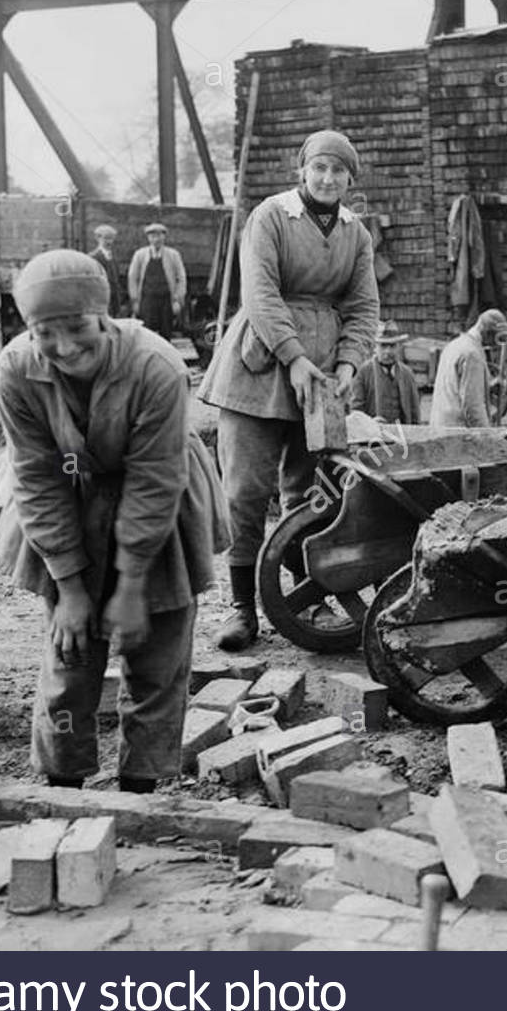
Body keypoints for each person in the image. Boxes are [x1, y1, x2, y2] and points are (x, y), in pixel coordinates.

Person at [0, 249, 229, 792]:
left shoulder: (157, 365)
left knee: (157, 650)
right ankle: (63, 783)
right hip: (69, 497)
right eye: (44, 332)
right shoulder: (15, 370)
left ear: (105, 314)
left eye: (77, 327)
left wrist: (132, 581)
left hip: (161, 499)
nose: (65, 346)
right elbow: (35, 477)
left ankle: (141, 787)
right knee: (70, 649)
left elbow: (153, 482)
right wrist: (71, 588)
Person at [198, 129, 378, 651]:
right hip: (258, 367)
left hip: (321, 378)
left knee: (310, 492)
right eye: (318, 168)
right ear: (302, 170)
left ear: (350, 180)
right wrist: (294, 358)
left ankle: (305, 598)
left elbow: (365, 308)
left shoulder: (355, 234)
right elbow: (261, 294)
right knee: (246, 491)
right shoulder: (270, 217)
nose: (327, 178)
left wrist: (347, 364)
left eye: (338, 171)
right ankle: (241, 608)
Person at [430, 308, 505, 428]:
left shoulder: (454, 345)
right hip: (457, 434)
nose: (491, 346)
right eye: (493, 340)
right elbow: (472, 406)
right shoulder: (472, 354)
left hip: (440, 427)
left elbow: (456, 387)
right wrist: (487, 437)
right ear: (487, 333)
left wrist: (488, 388)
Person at [350, 321, 420, 424]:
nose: (388, 351)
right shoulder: (364, 372)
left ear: (399, 347)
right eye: (383, 346)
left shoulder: (407, 374)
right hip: (373, 435)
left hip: (402, 434)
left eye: (392, 346)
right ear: (375, 348)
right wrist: (369, 422)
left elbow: (415, 412)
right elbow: (355, 411)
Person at [127, 222, 186, 340]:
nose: (156, 239)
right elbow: (132, 278)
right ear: (148, 238)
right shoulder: (140, 255)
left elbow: (181, 278)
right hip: (147, 300)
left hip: (166, 301)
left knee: (166, 332)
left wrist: (177, 300)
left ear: (164, 237)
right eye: (153, 236)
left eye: (159, 236)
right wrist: (135, 301)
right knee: (146, 333)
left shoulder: (173, 255)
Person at [88, 224, 127, 317]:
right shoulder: (93, 257)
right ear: (98, 238)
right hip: (101, 299)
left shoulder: (113, 257)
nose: (109, 242)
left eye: (111, 238)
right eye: (106, 238)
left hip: (114, 299)